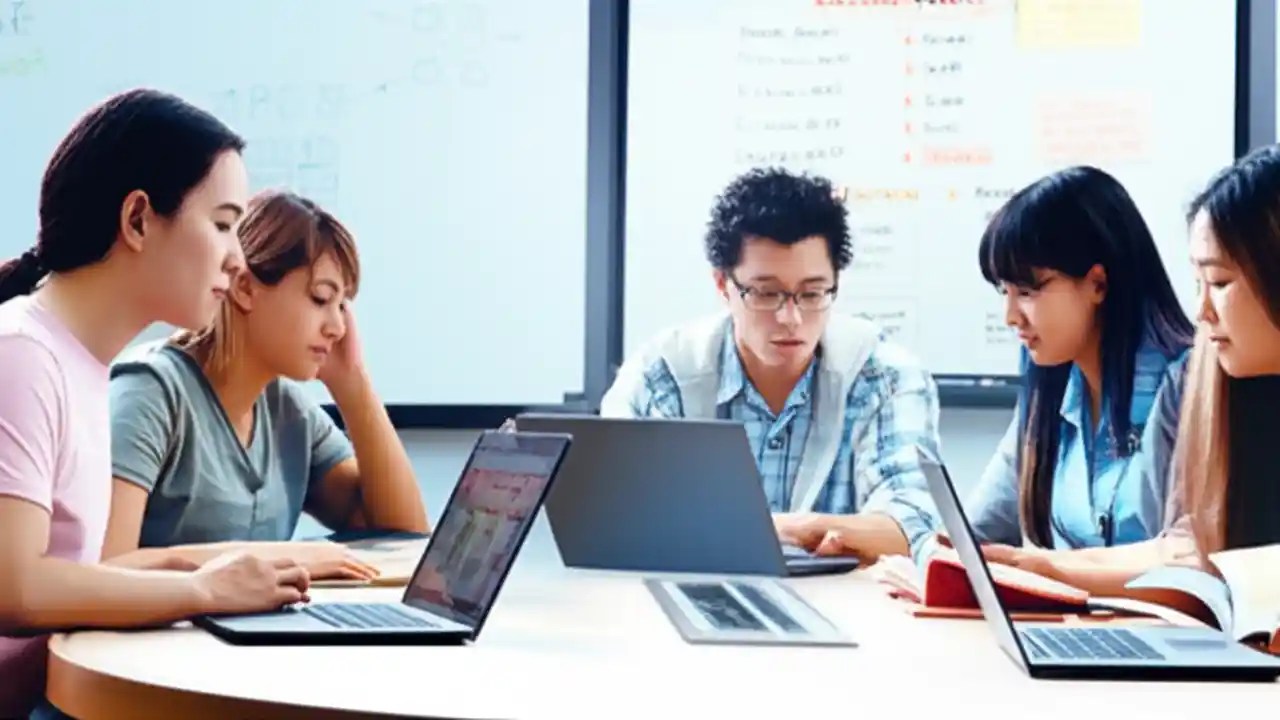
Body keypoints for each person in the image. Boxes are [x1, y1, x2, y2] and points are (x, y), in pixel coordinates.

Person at [0, 88, 311, 719]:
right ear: (138, 220)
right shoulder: (23, 353)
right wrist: (200, 590)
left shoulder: (79, 361)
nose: (237, 258)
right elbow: (13, 586)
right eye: (223, 224)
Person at [601, 167, 942, 563]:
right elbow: (617, 516)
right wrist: (802, 532)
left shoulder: (884, 376)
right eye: (765, 293)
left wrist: (794, 530)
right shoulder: (663, 375)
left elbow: (913, 523)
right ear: (722, 285)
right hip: (691, 598)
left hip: (846, 612)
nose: (791, 318)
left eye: (812, 293)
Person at [103, 189, 429, 580]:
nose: (338, 327)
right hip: (149, 642)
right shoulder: (149, 391)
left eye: (342, 305)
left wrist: (353, 385)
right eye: (320, 298)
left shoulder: (290, 411)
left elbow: (403, 533)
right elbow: (106, 564)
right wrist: (279, 558)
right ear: (244, 288)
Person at [947, 166, 1195, 592]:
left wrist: (1053, 571)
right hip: (1072, 634)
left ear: (1097, 283)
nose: (1011, 317)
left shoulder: (1185, 386)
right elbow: (978, 531)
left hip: (1161, 641)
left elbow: (1195, 566)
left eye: (1027, 291)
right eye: (1003, 292)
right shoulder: (1048, 388)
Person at [1158, 144, 1280, 558]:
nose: (1201, 311)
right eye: (1198, 283)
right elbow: (1190, 553)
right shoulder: (1233, 393)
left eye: (1219, 282)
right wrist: (1033, 566)